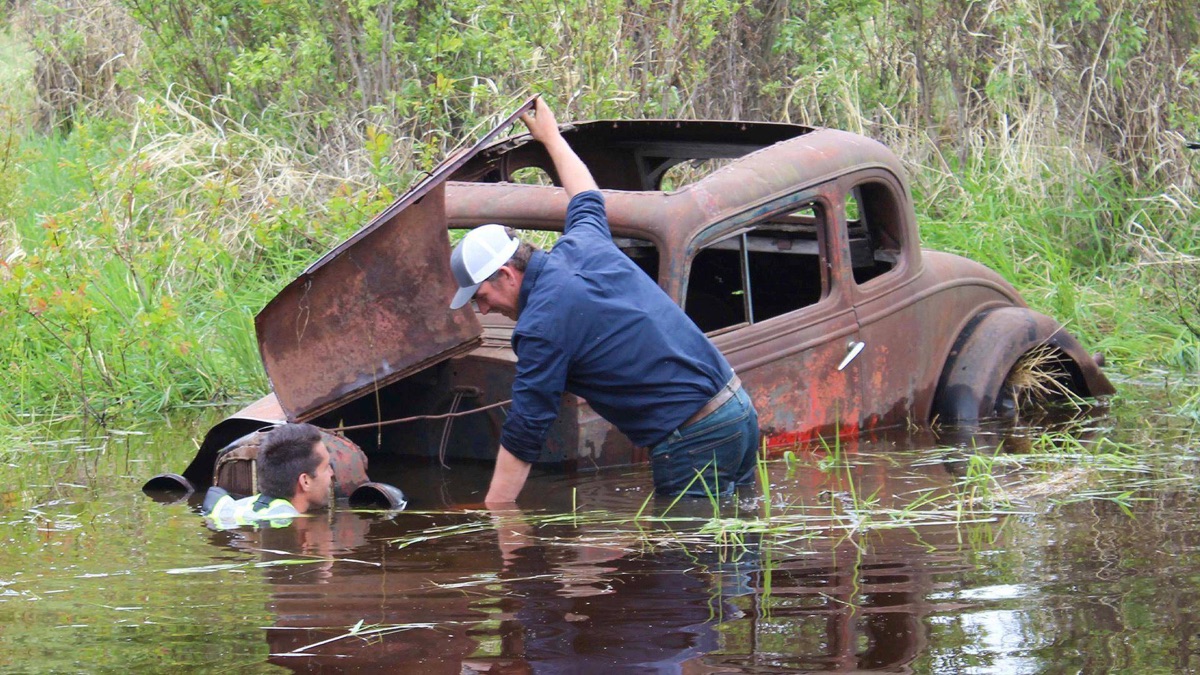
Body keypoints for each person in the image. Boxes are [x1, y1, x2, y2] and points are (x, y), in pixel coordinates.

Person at [448, 97, 759, 505]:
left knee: (688, 558)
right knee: (738, 542)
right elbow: (585, 193)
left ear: (506, 274)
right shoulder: (583, 244)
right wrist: (551, 138)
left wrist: (496, 515)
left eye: (482, 297)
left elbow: (526, 429)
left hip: (694, 437)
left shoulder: (542, 323)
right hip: (737, 410)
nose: (484, 310)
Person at [203, 422, 335, 527]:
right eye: (326, 468)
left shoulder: (238, 506)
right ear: (305, 481)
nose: (331, 473)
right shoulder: (284, 521)